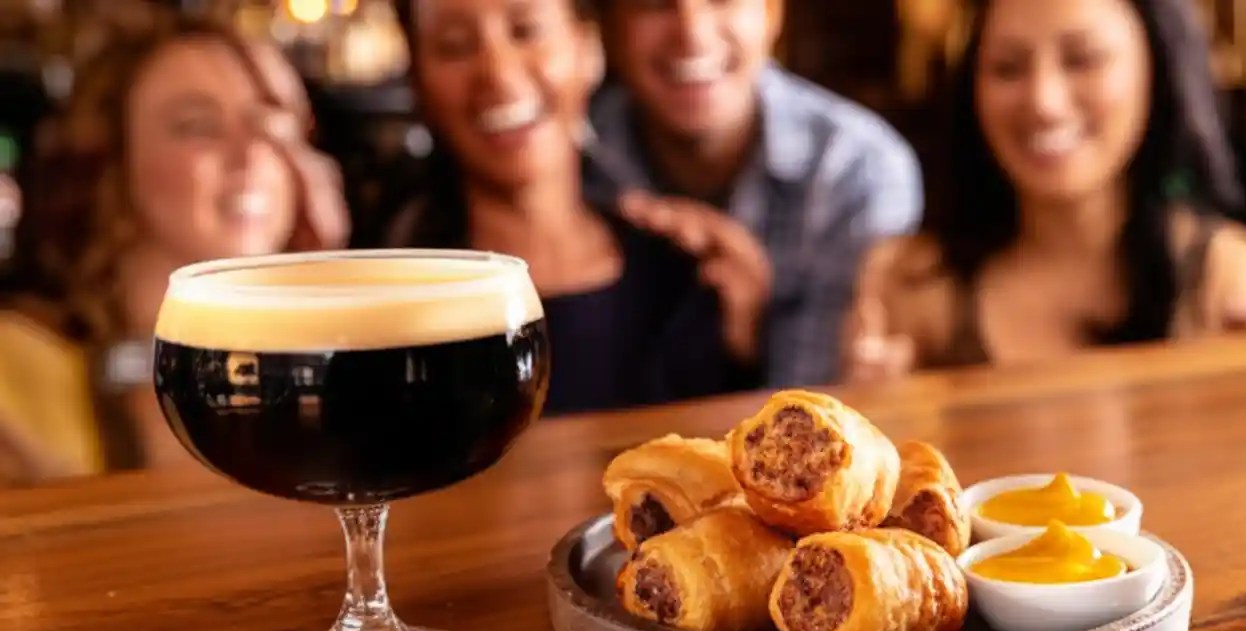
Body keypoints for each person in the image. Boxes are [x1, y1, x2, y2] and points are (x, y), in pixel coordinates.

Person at [845, 0, 1246, 381]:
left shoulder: (1237, 285)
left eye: (1082, 59)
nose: (1044, 101)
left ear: (1157, 67)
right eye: (1007, 68)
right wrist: (875, 410)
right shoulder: (906, 288)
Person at [0, 15, 348, 482]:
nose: (251, 152)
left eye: (272, 123)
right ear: (112, 161)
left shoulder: (334, 356)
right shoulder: (18, 371)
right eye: (198, 126)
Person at [390, 0, 759, 415]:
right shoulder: (389, 309)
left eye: (526, 30)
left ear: (588, 49)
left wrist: (750, 339)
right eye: (455, 46)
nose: (499, 73)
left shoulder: (686, 280)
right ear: (418, 80)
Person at [586, 0, 925, 387]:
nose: (692, 32)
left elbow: (822, 407)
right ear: (609, 30)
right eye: (654, 5)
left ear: (771, 14)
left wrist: (753, 340)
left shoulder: (856, 167)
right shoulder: (575, 154)